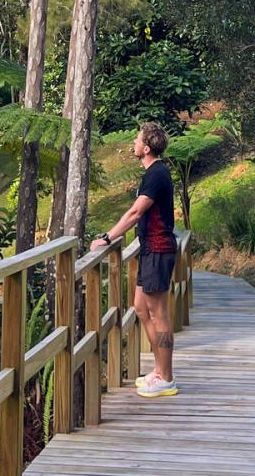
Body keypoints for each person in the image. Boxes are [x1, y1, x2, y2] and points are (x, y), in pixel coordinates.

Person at [89, 121, 178, 398]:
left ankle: (167, 378)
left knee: (159, 312)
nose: (134, 143)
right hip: (150, 249)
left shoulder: (156, 174)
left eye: (138, 140)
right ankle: (159, 370)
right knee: (140, 308)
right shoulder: (153, 173)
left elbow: (135, 213)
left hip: (159, 249)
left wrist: (107, 238)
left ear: (147, 148)